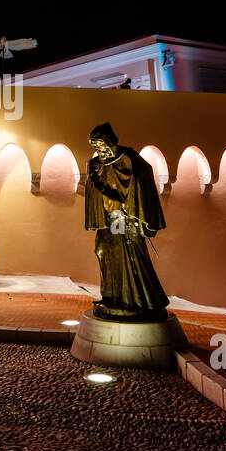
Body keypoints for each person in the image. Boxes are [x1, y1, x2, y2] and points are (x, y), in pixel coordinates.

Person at [84, 122, 170, 320]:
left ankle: (141, 302)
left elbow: (140, 182)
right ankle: (111, 297)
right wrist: (93, 176)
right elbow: (96, 190)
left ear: (108, 142)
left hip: (127, 222)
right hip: (108, 223)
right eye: (94, 148)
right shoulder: (97, 164)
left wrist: (138, 214)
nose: (97, 151)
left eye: (99, 146)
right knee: (103, 252)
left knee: (132, 260)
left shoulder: (130, 159)